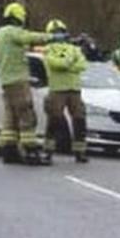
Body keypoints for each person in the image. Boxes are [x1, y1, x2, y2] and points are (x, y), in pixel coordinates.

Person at [0, 2, 59, 165]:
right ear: (18, 18)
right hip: (17, 79)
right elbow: (28, 37)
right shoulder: (12, 32)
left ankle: (9, 150)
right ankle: (31, 152)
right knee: (26, 112)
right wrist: (52, 37)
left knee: (11, 115)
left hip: (6, 80)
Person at [43, 19, 89, 163]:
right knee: (54, 120)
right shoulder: (47, 50)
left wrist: (67, 65)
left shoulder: (74, 49)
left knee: (80, 119)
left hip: (74, 89)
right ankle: (48, 151)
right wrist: (70, 62)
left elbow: (82, 65)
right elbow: (56, 64)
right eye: (56, 33)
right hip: (57, 89)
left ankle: (80, 151)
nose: (59, 35)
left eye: (61, 32)